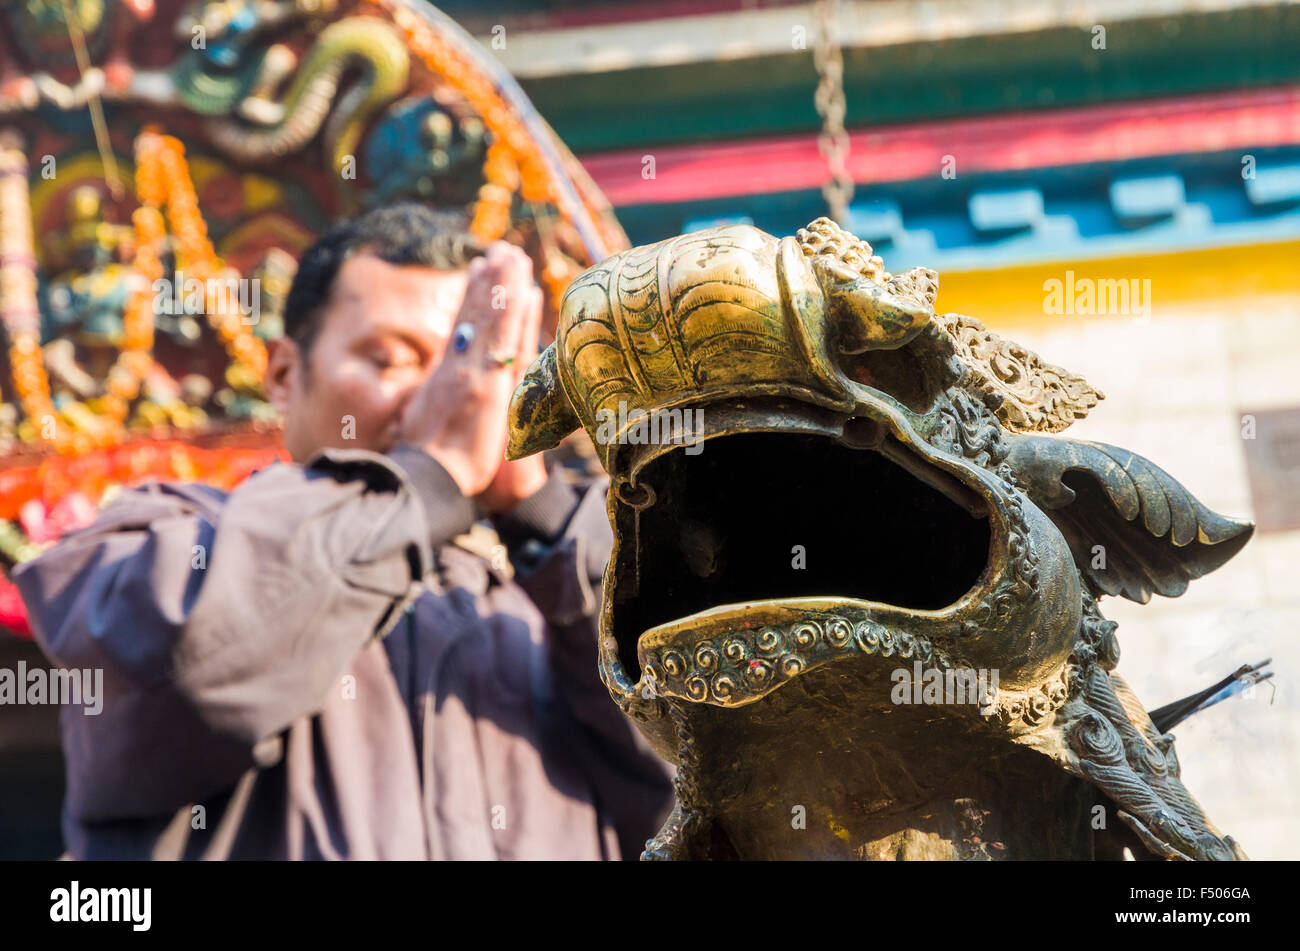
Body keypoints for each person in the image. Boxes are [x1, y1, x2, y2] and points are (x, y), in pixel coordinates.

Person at [14, 202, 675, 860]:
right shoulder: (155, 535)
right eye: (390, 358)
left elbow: (702, 787)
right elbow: (187, 671)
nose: (445, 393)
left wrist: (539, 513)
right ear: (282, 372)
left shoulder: (544, 606)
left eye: (473, 362)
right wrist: (432, 473)